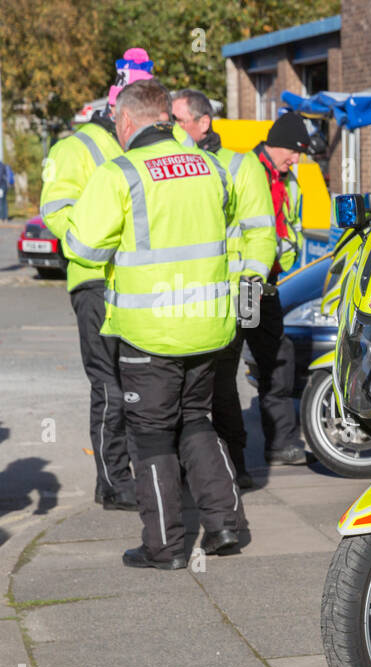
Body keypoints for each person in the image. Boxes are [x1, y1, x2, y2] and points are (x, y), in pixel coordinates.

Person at [63, 79, 246, 569]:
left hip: (151, 332)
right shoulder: (210, 166)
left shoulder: (120, 172)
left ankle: (164, 547)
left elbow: (82, 248)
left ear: (125, 121)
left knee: (151, 436)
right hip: (207, 325)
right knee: (197, 422)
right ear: (166, 117)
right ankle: (226, 524)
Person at [36, 47, 156, 512]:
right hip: (95, 282)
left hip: (140, 285)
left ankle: (143, 471)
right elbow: (56, 210)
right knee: (109, 384)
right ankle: (114, 481)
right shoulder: (78, 148)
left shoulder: (144, 145)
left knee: (141, 382)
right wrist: (95, 244)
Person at [172, 88, 277, 489]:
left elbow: (261, 234)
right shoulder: (174, 166)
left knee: (220, 384)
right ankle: (194, 469)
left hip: (233, 295)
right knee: (187, 389)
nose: (172, 130)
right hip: (184, 297)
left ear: (203, 123)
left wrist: (247, 298)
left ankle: (236, 466)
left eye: (179, 121)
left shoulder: (239, 165)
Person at [246, 111, 311, 466]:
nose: (296, 159)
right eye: (294, 151)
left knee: (277, 357)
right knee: (231, 362)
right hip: (242, 283)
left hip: (265, 282)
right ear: (276, 143)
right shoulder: (248, 170)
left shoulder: (282, 178)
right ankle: (228, 450)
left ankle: (282, 441)